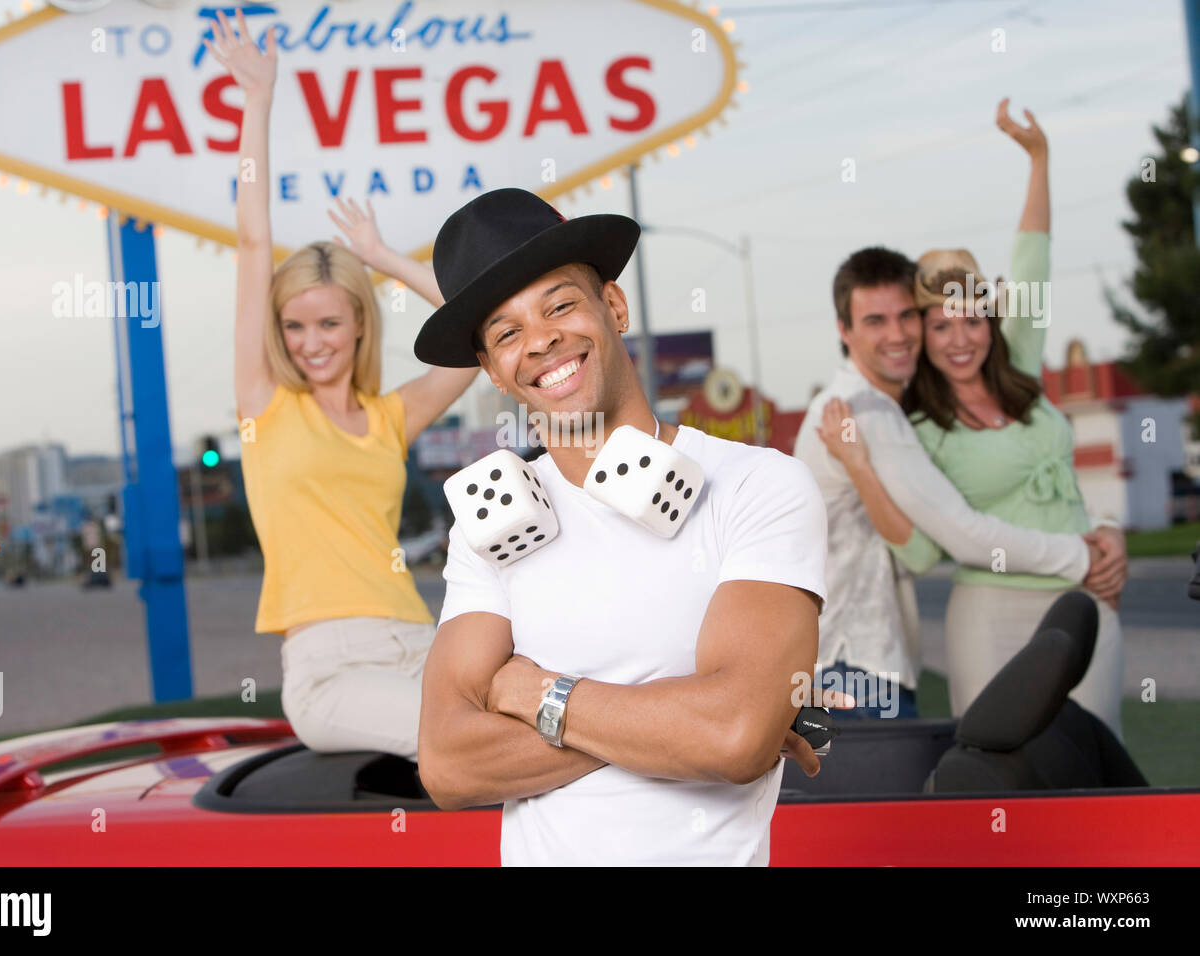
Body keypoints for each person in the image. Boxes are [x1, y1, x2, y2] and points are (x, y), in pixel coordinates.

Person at [414, 187, 830, 866]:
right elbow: (448, 763)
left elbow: (731, 736)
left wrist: (533, 693)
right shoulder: (483, 531)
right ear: (492, 370)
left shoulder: (759, 484)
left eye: (559, 305)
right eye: (507, 332)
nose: (542, 340)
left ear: (613, 306)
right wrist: (679, 725)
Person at [793, 102, 1126, 725]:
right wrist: (1082, 551)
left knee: (1100, 766)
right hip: (984, 613)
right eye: (939, 325)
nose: (958, 339)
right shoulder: (911, 420)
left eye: (972, 319)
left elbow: (1034, 263)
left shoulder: (1018, 369)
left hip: (1088, 600)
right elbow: (932, 548)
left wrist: (1039, 159)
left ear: (991, 320)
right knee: (1003, 788)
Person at [206, 10, 478, 759]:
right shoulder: (265, 405)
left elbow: (479, 334)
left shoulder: (391, 417)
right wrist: (257, 103)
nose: (312, 343)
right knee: (474, 748)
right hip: (331, 667)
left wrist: (386, 258)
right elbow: (254, 240)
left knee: (533, 735)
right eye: (295, 327)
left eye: (330, 324)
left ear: (360, 325)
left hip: (424, 642)